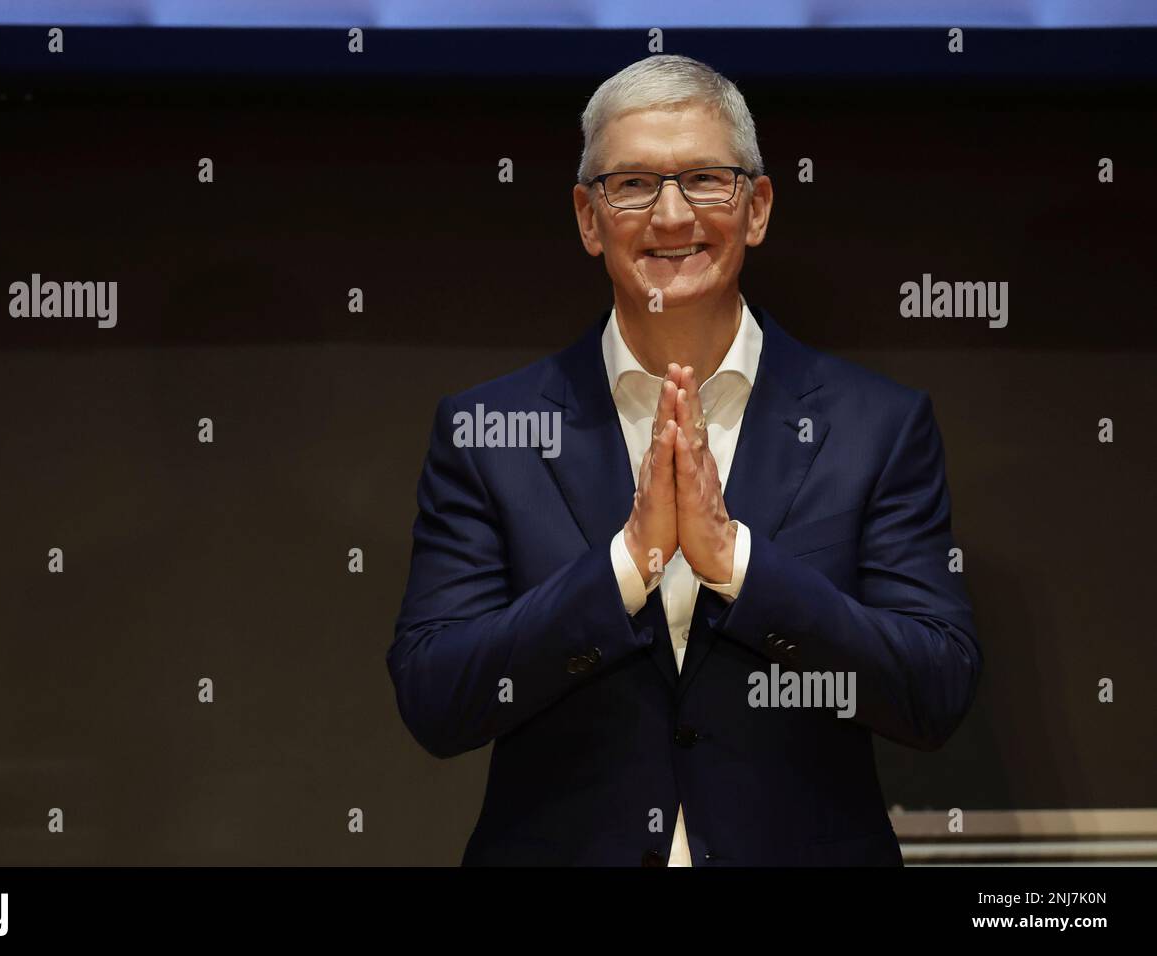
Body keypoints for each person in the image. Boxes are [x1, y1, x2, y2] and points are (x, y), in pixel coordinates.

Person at [388, 54, 981, 866]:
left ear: (758, 206)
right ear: (588, 219)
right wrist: (624, 569)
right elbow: (435, 697)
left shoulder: (878, 425)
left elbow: (933, 690)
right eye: (631, 185)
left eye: (706, 178)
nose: (672, 216)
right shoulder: (490, 429)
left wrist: (737, 563)